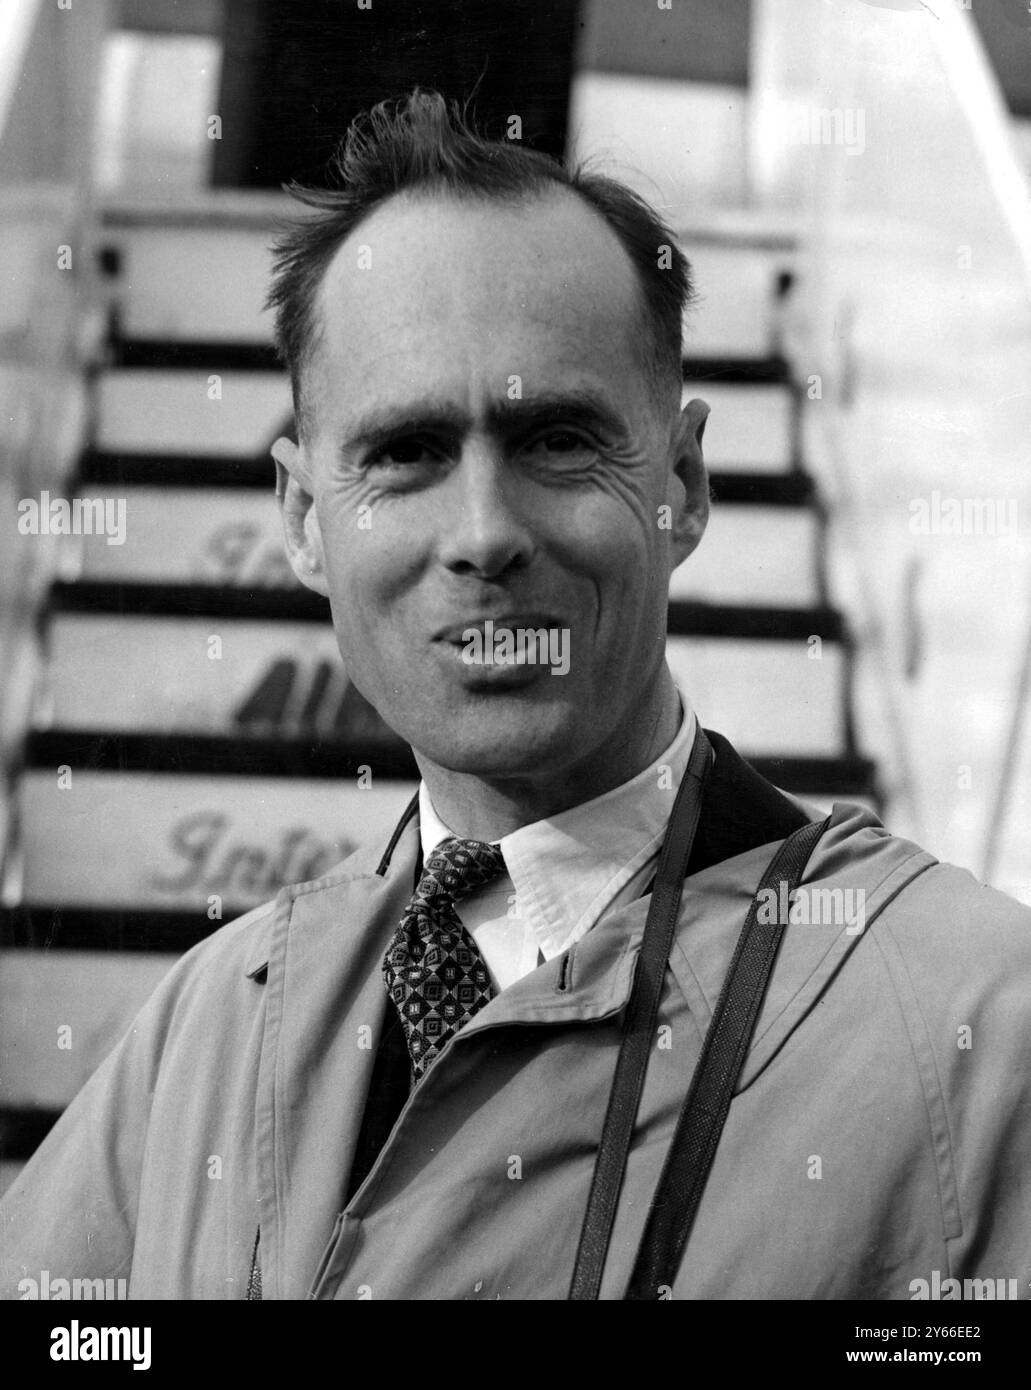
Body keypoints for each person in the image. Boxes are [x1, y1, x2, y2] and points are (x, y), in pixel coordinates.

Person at [2, 90, 1030, 1302]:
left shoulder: (973, 1023)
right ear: (300, 521)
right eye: (406, 453)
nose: (484, 534)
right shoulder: (206, 1032)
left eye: (553, 439)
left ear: (683, 483)